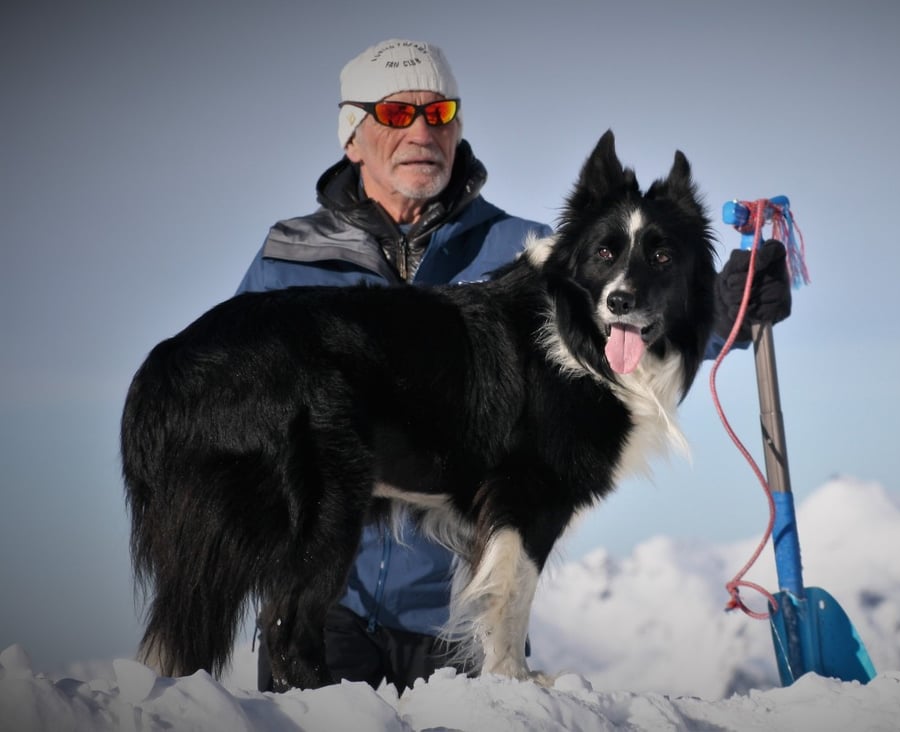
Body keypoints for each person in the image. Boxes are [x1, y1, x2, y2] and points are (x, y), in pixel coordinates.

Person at [239, 38, 791, 694]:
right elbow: (247, 406)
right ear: (351, 137)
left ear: (459, 128)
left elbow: (626, 334)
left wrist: (728, 303)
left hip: (462, 611)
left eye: (439, 114)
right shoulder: (289, 259)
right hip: (321, 607)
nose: (421, 131)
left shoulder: (529, 252)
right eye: (395, 115)